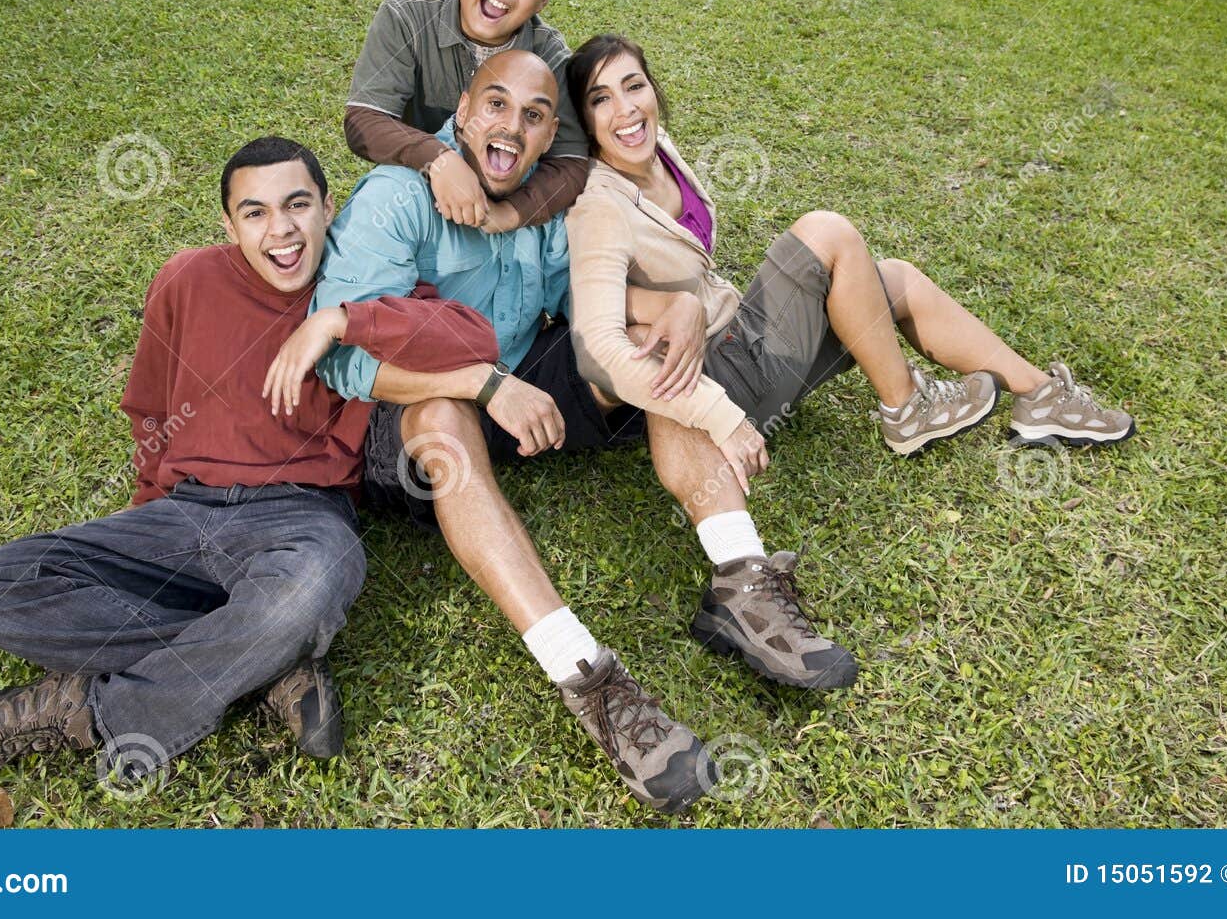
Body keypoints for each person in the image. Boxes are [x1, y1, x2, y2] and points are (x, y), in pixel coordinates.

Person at [268, 50, 860, 813]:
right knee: (445, 420)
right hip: (398, 421)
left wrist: (673, 306)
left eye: (536, 115)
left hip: (510, 383)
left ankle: (740, 577)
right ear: (463, 109)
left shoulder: (542, 210)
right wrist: (485, 385)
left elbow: (592, 302)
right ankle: (589, 678)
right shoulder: (396, 197)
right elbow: (345, 361)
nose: (511, 127)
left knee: (648, 347)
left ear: (552, 137)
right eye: (496, 105)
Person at [0, 136, 498, 789]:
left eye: (297, 205)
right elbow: (150, 409)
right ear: (229, 225)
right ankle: (267, 660)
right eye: (255, 212)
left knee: (307, 589)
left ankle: (91, 710)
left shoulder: (363, 283)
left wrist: (341, 321)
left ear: (327, 207)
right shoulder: (186, 280)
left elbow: (472, 337)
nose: (281, 229)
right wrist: (150, 512)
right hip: (182, 512)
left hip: (301, 519)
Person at [563, 33, 1136, 474]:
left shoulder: (658, 147)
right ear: (585, 121)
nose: (626, 110)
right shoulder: (599, 207)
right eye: (601, 99)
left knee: (897, 279)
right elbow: (596, 344)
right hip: (721, 379)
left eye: (634, 86)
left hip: (749, 346)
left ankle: (1040, 398)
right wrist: (714, 411)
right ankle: (906, 410)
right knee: (827, 232)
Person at [344, 0, 589, 232]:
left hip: (504, 202)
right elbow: (364, 119)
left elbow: (571, 163)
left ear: (544, 0)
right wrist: (439, 159)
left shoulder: (550, 56)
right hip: (418, 194)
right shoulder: (407, 15)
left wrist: (509, 215)